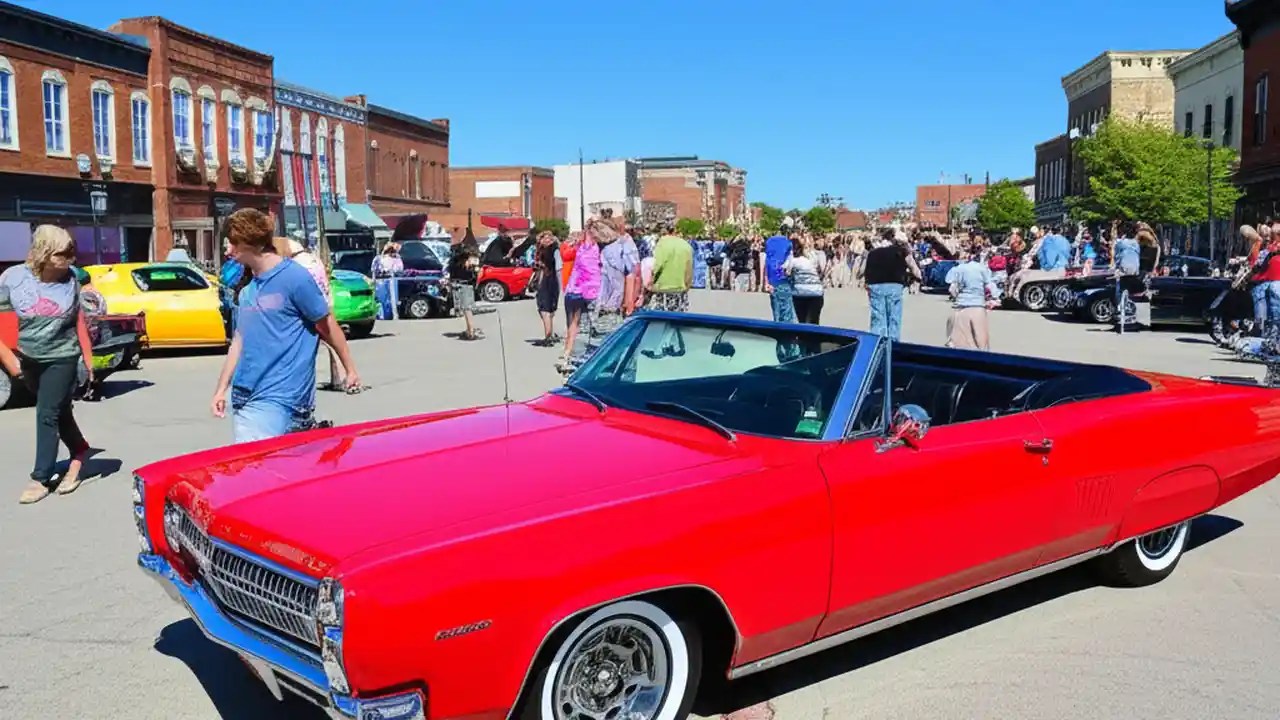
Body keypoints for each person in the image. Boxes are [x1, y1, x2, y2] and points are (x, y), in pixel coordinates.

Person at [210, 209, 360, 443]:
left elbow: (326, 324)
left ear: (251, 244)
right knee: (272, 474)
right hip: (245, 397)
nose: (227, 250)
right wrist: (222, 389)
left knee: (258, 474)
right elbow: (239, 341)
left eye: (232, 244)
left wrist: (349, 368)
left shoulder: (295, 278)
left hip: (280, 398)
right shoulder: (248, 291)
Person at [1, 225, 95, 504]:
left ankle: (41, 476)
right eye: (63, 252)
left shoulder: (74, 279)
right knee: (58, 412)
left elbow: (80, 321)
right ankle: (79, 452)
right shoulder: (14, 278)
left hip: (62, 358)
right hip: (29, 359)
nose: (71, 257)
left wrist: (88, 363)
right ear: (43, 252)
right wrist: (9, 358)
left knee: (46, 413)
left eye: (72, 251)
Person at [281, 238, 347, 392]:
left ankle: (338, 378)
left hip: (310, 306)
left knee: (318, 341)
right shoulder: (313, 260)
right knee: (332, 340)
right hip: (323, 302)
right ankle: (339, 377)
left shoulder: (297, 265)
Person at [859, 228, 921, 340]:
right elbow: (913, 267)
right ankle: (893, 345)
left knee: (878, 317)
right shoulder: (901, 251)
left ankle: (877, 343)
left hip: (875, 285)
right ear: (893, 238)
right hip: (894, 284)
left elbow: (862, 270)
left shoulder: (872, 253)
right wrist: (918, 277)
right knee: (894, 317)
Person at [559, 220, 604, 373]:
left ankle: (567, 353)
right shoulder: (595, 248)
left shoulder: (580, 247)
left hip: (575, 289)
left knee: (574, 323)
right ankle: (580, 356)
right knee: (588, 325)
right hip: (590, 291)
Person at [945, 250, 1000, 350]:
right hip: (977, 307)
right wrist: (996, 298)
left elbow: (952, 289)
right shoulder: (982, 269)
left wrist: (955, 297)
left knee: (955, 341)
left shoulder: (958, 269)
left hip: (959, 307)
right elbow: (990, 285)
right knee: (981, 343)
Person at [646, 221, 694, 311]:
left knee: (661, 322)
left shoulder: (662, 244)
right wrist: (686, 286)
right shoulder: (686, 246)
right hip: (679, 290)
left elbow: (658, 266)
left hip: (663, 290)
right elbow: (689, 270)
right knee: (677, 321)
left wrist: (650, 283)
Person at [785, 234, 827, 324]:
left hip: (800, 293)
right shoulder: (808, 260)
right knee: (813, 321)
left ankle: (804, 336)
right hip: (817, 292)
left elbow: (785, 272)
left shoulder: (792, 260)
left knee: (803, 322)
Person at [448, 233, 483, 341]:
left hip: (462, 284)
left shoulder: (459, 257)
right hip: (464, 284)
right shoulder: (467, 258)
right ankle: (470, 330)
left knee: (466, 309)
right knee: (467, 309)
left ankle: (470, 331)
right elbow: (476, 272)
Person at [532, 231, 561, 347]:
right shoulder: (551, 250)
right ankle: (550, 334)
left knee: (545, 310)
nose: (547, 240)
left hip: (548, 281)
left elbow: (557, 267)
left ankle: (548, 336)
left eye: (549, 238)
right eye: (544, 239)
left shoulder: (550, 251)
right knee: (548, 310)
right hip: (549, 281)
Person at [763, 227, 796, 322]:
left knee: (776, 313)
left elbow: (766, 263)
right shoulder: (788, 243)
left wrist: (766, 281)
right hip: (784, 279)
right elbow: (790, 262)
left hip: (772, 280)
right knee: (787, 314)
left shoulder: (769, 242)